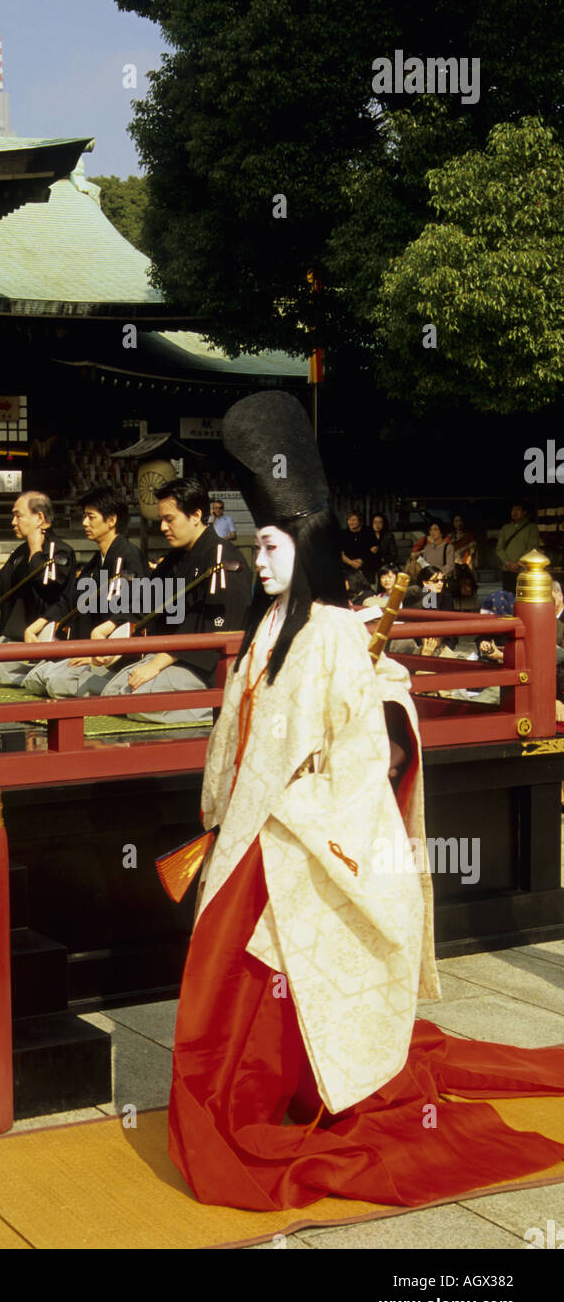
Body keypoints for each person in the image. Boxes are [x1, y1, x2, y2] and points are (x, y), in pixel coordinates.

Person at [167, 389, 564, 1212]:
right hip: (249, 831)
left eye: (273, 544)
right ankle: (264, 1093)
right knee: (230, 983)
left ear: (306, 545)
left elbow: (372, 749)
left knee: (256, 985)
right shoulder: (266, 630)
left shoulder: (342, 633)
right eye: (256, 543)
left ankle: (275, 1098)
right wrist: (221, 817)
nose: (261, 558)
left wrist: (328, 778)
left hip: (299, 838)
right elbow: (233, 743)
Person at [96, 477, 252, 724]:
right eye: (161, 521)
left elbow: (215, 628)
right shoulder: (176, 557)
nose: (163, 528)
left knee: (136, 703)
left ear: (196, 515)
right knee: (111, 695)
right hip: (173, 656)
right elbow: (146, 598)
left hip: (206, 666)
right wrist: (111, 628)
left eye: (170, 519)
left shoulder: (224, 559)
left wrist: (159, 662)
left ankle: (219, 711)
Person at [24, 485, 147, 698]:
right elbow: (70, 600)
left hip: (114, 657)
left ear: (111, 520)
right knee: (34, 679)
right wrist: (38, 624)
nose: (84, 523)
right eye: (84, 517)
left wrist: (97, 649)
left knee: (54, 683)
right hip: (89, 649)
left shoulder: (131, 557)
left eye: (91, 517)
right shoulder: (95, 562)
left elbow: (139, 607)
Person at [0, 492, 76, 686]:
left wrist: (36, 551)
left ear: (39, 518)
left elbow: (47, 586)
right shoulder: (20, 552)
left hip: (33, 640)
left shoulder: (60, 551)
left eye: (18, 516)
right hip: (8, 638)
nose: (13, 522)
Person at [496, 500, 541, 593]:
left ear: (524, 512)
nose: (514, 512)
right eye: (513, 510)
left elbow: (532, 548)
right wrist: (508, 563)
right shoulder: (505, 528)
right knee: (508, 596)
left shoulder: (532, 528)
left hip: (524, 569)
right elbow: (499, 548)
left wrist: (518, 563)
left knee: (523, 596)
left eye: (518, 510)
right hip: (507, 569)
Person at [339, 509, 375, 581]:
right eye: (349, 520)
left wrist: (362, 560)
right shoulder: (343, 534)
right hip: (348, 567)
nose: (351, 522)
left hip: (365, 565)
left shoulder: (368, 532)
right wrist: (351, 563)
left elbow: (375, 548)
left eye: (353, 520)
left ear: (360, 521)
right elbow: (340, 553)